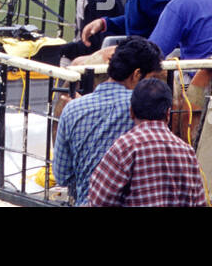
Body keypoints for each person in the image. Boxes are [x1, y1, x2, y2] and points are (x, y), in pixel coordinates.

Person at [52, 36, 162, 205]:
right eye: (152, 79)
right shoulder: (145, 107)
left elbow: (62, 175)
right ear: (137, 74)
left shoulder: (72, 109)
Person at [86, 78, 208, 207]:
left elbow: (98, 200)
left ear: (131, 112)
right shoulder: (187, 152)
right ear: (168, 114)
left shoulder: (125, 147)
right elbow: (199, 202)